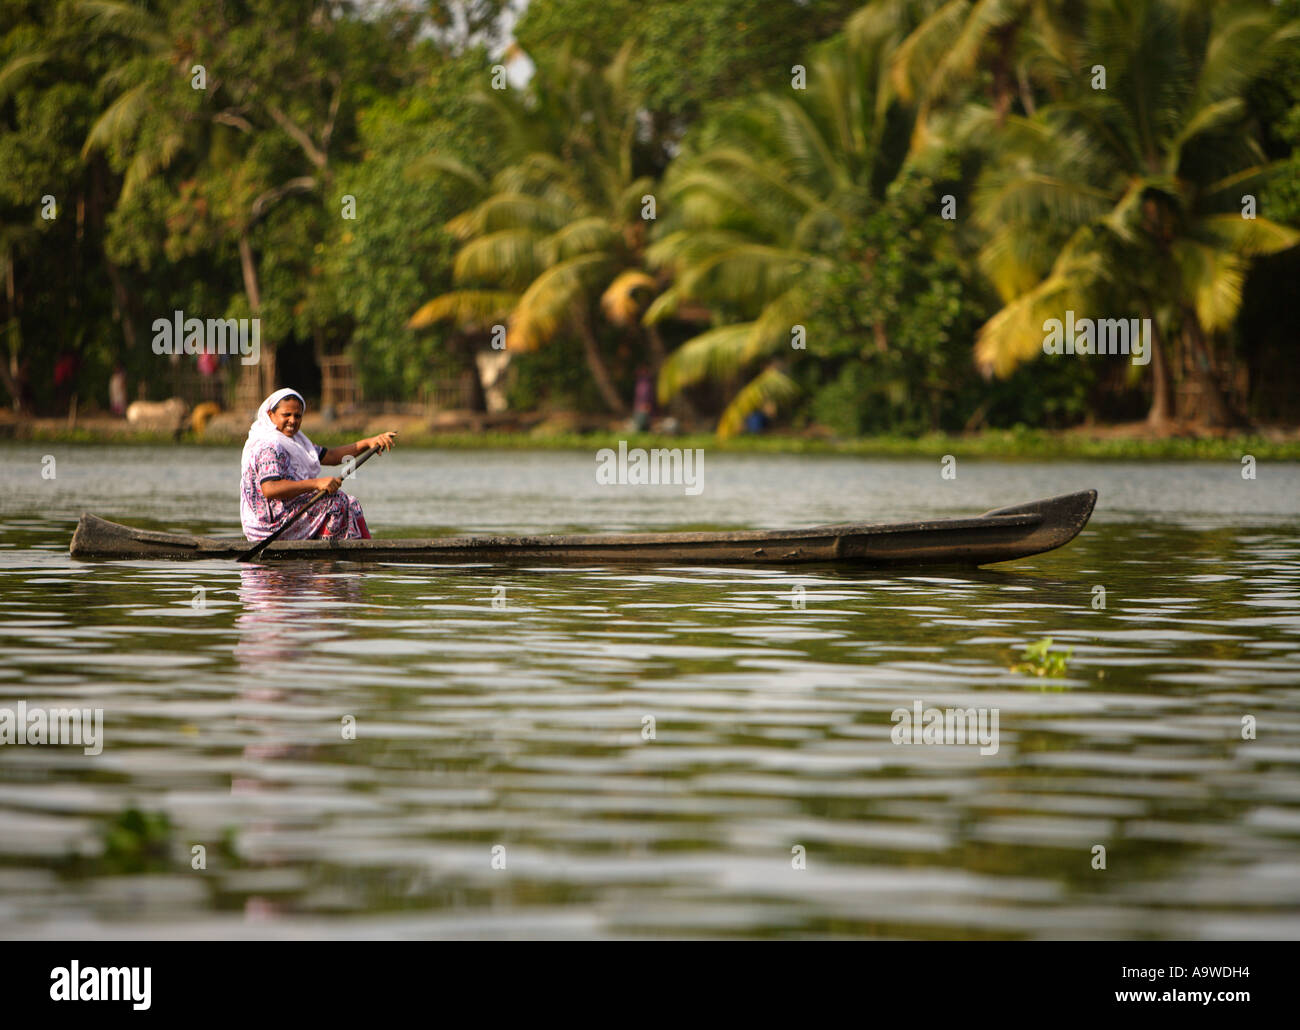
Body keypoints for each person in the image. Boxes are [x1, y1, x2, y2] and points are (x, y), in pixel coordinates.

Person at [239, 387, 395, 542]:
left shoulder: (296, 442)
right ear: (270, 415)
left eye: (297, 416)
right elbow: (270, 489)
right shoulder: (270, 445)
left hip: (288, 514)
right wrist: (316, 483)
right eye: (286, 415)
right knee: (337, 502)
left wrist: (369, 443)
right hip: (270, 525)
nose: (292, 421)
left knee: (351, 502)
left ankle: (365, 548)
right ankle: (327, 562)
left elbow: (332, 456)